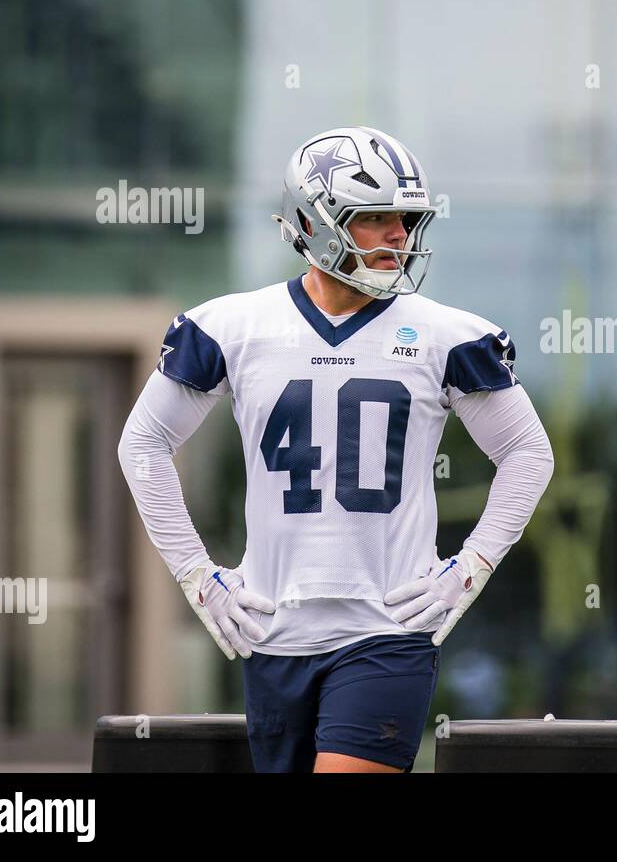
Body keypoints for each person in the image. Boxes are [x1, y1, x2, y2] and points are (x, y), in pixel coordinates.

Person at [118, 126, 554, 772]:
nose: (399, 238)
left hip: (385, 636)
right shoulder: (235, 328)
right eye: (376, 219)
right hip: (274, 637)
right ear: (314, 221)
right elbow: (143, 443)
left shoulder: (444, 337)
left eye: (405, 220)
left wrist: (471, 566)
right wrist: (198, 576)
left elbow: (527, 453)